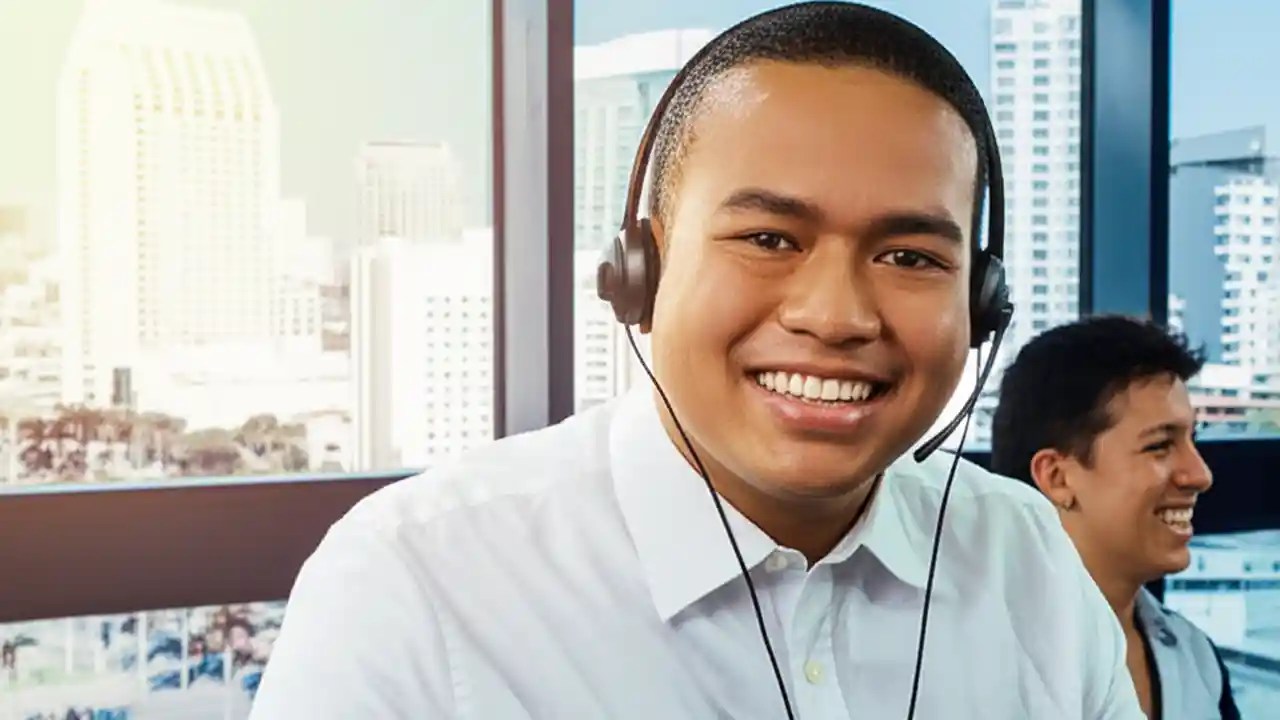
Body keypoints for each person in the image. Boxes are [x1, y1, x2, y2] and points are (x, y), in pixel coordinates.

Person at [250, 3, 1144, 718]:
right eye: (768, 237)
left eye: (910, 257)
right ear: (641, 269)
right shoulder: (413, 584)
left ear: (980, 303)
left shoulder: (1028, 562)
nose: (835, 316)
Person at [991, 315, 1241, 720]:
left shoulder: (1193, 657)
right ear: (1057, 477)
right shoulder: (964, 659)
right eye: (1160, 446)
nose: (1200, 475)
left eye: (1191, 440)